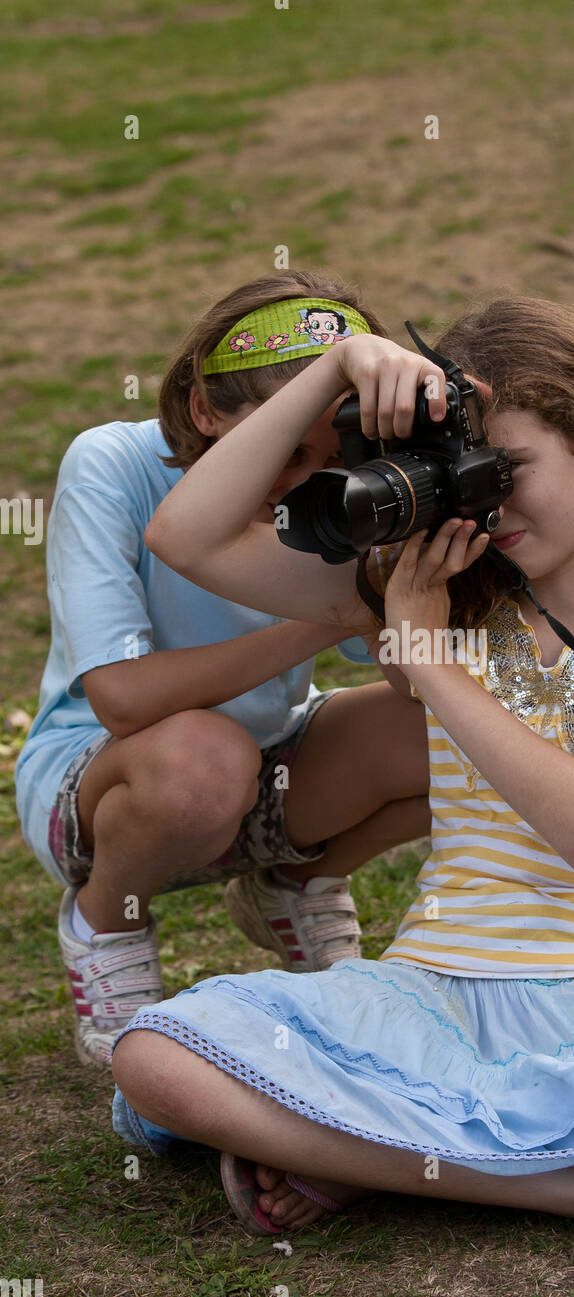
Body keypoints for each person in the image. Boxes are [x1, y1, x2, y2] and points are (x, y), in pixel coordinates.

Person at [109, 297, 574, 1251]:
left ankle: (356, 1153)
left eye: (510, 469)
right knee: (154, 1059)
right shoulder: (444, 577)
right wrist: (338, 370)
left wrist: (430, 662)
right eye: (469, 479)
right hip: (428, 998)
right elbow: (189, 536)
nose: (489, 510)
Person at [13, 270, 432, 1068]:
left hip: (266, 773)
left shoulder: (350, 492)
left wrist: (400, 562)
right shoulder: (114, 462)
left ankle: (294, 884)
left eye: (337, 453)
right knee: (205, 758)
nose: (311, 482)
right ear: (205, 411)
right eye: (287, 448)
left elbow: (420, 689)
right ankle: (107, 920)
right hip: (110, 787)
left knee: (461, 728)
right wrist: (320, 620)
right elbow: (122, 699)